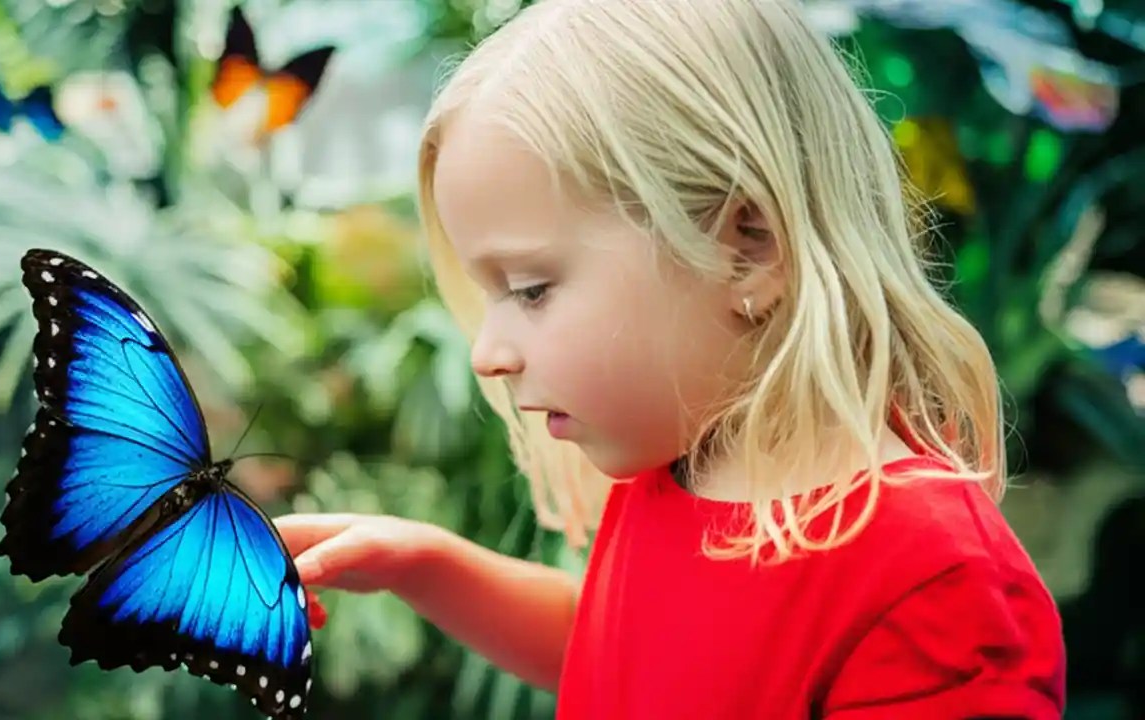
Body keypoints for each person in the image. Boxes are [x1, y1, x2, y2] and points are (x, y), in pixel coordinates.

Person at [276, 0, 1066, 716]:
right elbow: (628, 658)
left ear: (747, 250)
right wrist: (420, 563)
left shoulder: (932, 586)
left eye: (531, 288)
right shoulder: (683, 461)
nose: (487, 355)